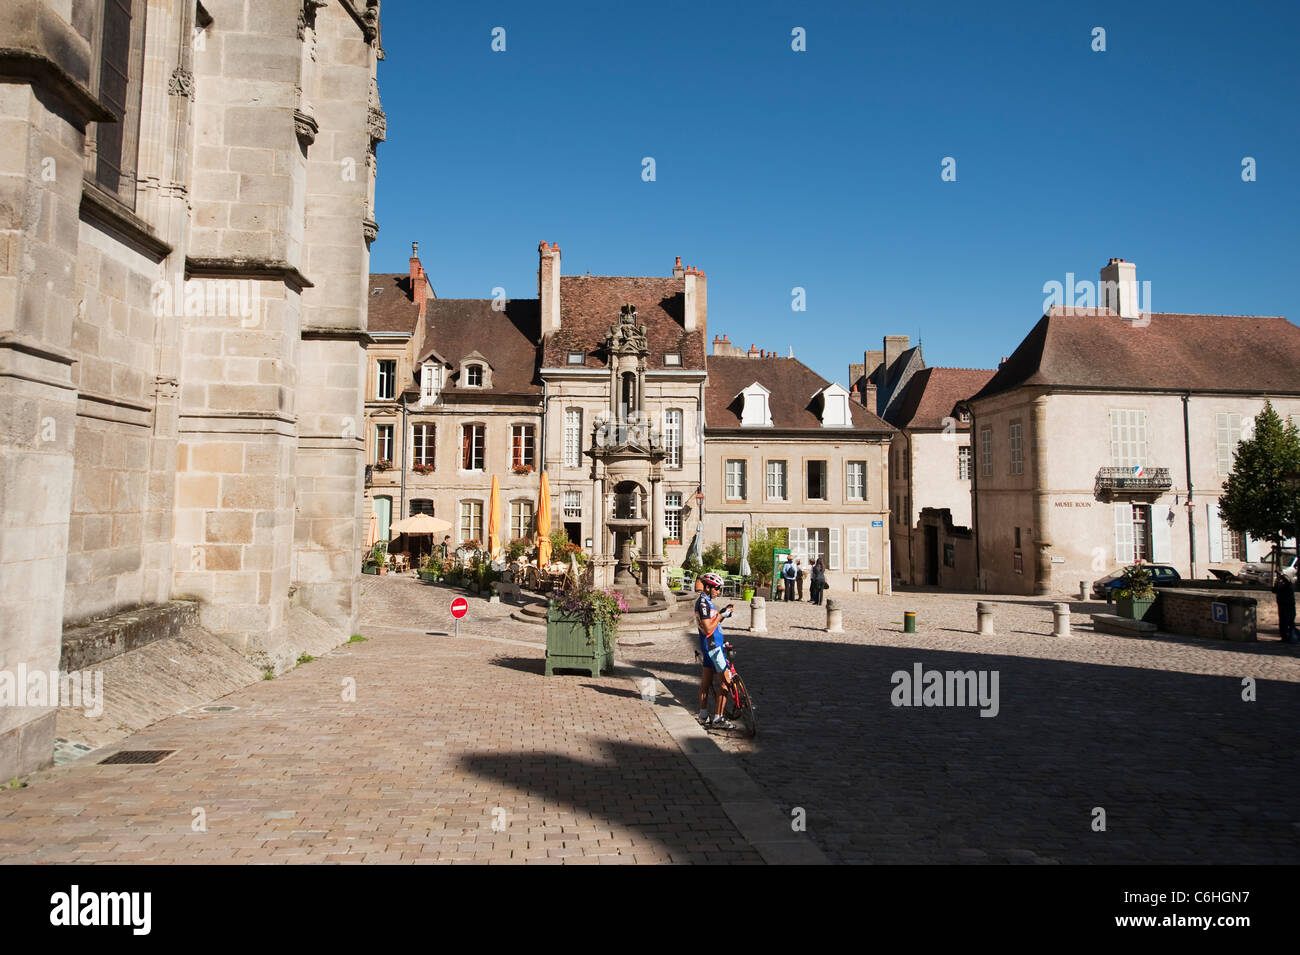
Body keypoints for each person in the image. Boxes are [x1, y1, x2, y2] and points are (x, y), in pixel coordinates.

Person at [695, 572, 737, 729]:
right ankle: (718, 718)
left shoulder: (707, 601)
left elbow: (713, 622)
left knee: (706, 683)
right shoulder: (703, 604)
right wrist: (720, 615)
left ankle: (703, 715)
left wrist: (724, 614)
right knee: (725, 683)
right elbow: (707, 629)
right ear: (707, 587)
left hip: (710, 646)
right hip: (713, 647)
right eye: (717, 588)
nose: (719, 591)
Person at [1273, 571, 1298, 643]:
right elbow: (1274, 590)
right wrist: (1277, 581)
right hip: (1282, 605)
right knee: (1282, 622)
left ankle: (1292, 637)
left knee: (1290, 622)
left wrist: (1282, 577)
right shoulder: (1281, 585)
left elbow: (1287, 584)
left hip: (1289, 606)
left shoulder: (1289, 585)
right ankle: (1284, 637)